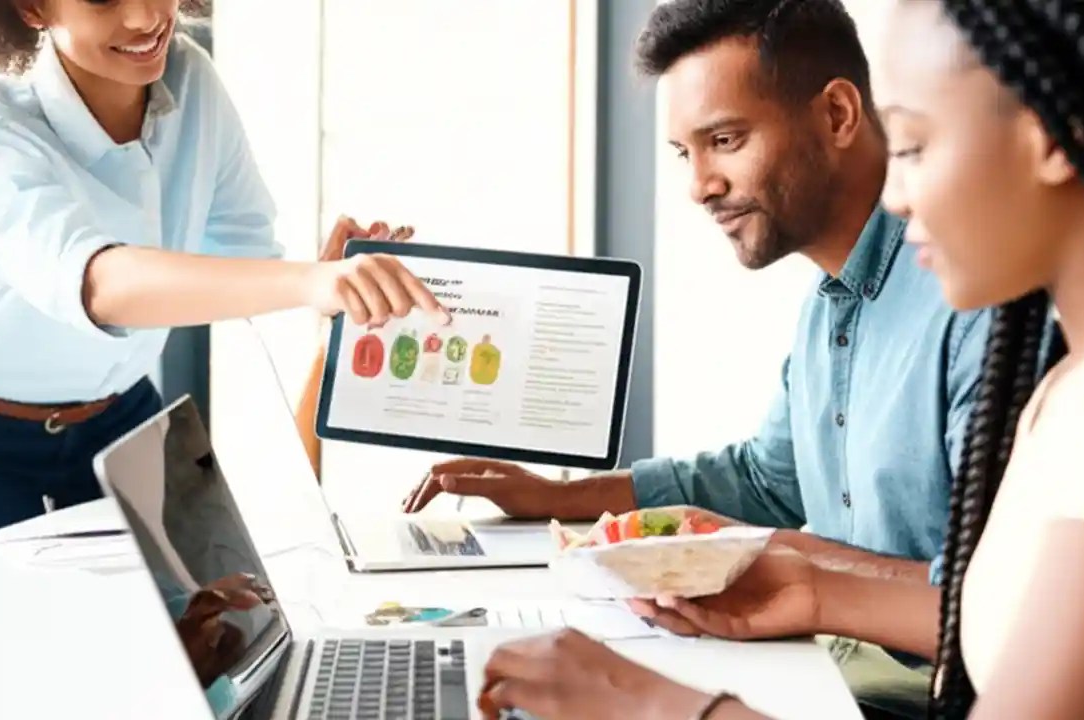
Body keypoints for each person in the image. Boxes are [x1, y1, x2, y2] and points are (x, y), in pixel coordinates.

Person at [479, 1, 1084, 719]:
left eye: (912, 145)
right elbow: (973, 609)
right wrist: (805, 585)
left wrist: (649, 701)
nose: (894, 198)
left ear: (1054, 136)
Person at [406, 1, 988, 715]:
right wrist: (559, 497)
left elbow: (997, 604)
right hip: (820, 674)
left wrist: (796, 569)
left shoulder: (975, 302)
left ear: (837, 115)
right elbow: (766, 480)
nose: (700, 186)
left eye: (725, 140)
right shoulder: (828, 306)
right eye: (687, 153)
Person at [0, 0, 446, 542]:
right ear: (31, 8)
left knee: (225, 593)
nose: (144, 18)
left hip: (124, 415)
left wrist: (325, 278)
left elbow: (244, 255)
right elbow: (99, 284)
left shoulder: (189, 78)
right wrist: (309, 282)